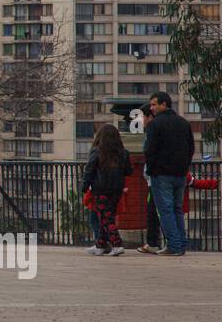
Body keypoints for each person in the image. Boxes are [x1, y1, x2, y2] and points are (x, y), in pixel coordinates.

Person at [143, 92, 195, 257]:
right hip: (180, 174)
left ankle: (173, 245)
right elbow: (191, 148)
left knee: (165, 210)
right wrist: (184, 166)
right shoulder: (183, 123)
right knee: (177, 209)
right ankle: (181, 243)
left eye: (154, 104)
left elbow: (149, 150)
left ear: (164, 105)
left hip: (161, 174)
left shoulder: (155, 125)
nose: (151, 108)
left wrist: (151, 170)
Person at [80, 124, 133, 257]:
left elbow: (89, 170)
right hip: (117, 190)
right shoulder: (123, 153)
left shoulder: (97, 152)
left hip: (100, 189)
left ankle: (117, 244)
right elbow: (129, 171)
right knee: (106, 216)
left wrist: (85, 186)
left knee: (105, 218)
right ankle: (101, 245)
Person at [135, 104, 165, 255]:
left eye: (143, 117)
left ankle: (154, 242)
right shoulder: (156, 130)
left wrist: (150, 172)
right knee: (156, 210)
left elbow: (150, 152)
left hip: (155, 179)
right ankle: (157, 241)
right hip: (155, 177)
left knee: (154, 211)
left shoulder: (153, 131)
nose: (141, 120)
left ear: (149, 117)